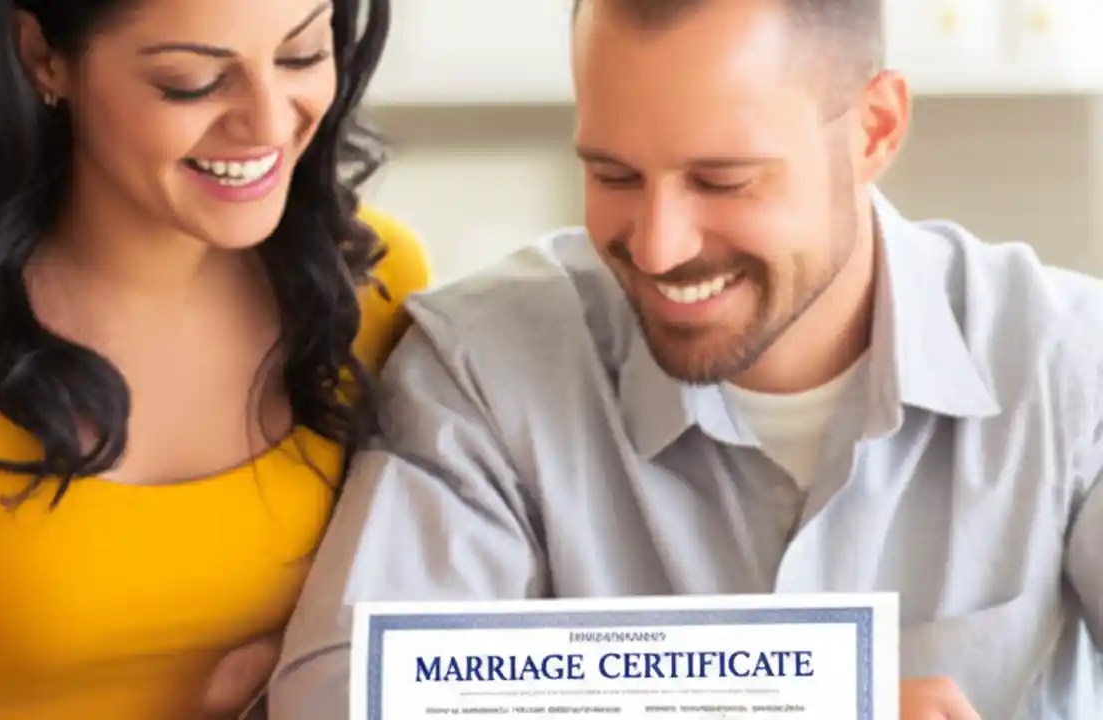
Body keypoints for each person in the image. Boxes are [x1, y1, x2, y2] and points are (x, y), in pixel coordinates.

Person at [268, 0, 1103, 718]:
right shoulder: (482, 366)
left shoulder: (1067, 360)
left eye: (724, 180)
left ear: (874, 130)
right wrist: (794, 695)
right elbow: (345, 694)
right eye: (615, 175)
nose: (661, 247)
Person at [0, 0, 428, 718]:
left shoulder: (376, 290)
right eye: (192, 81)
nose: (268, 122)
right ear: (44, 56)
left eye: (300, 56)